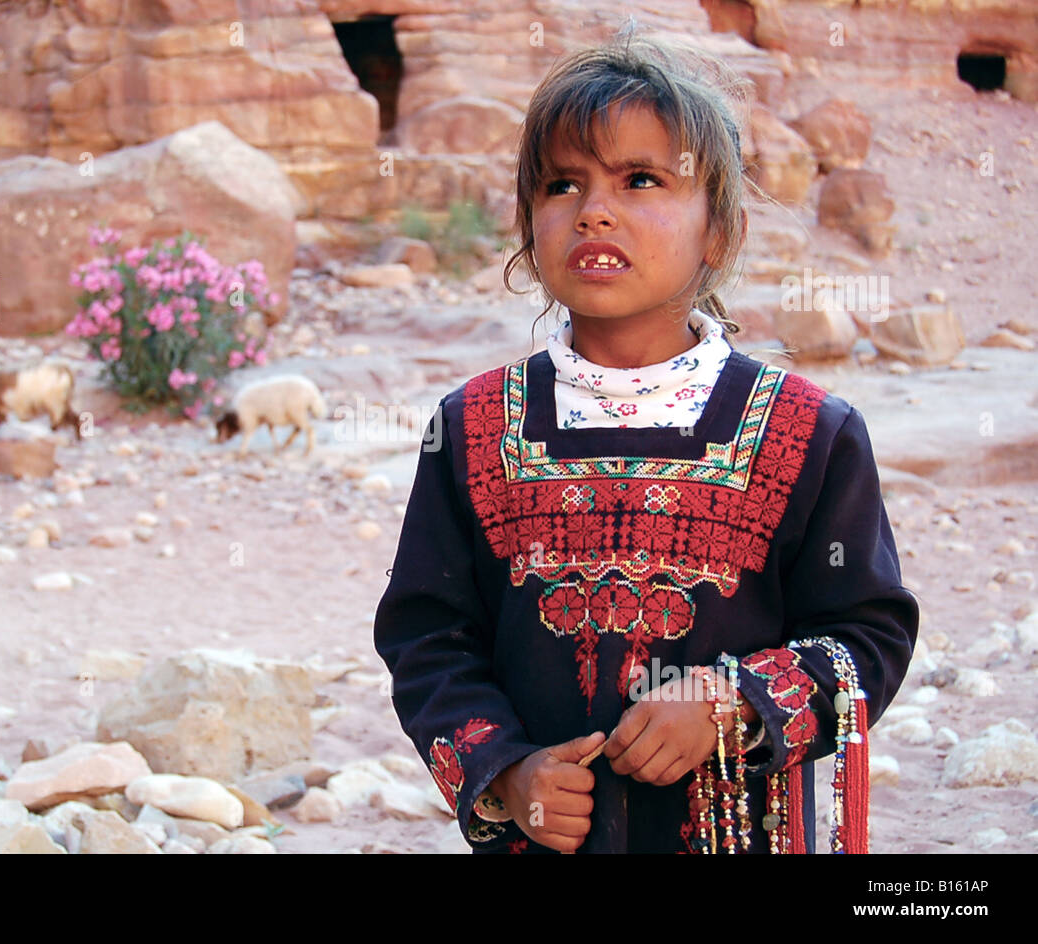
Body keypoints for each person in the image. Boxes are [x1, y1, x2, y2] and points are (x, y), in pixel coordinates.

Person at [373, 24, 919, 854]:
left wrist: (727, 701)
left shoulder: (811, 434)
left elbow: (868, 641)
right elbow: (426, 636)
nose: (594, 210)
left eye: (640, 180)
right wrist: (509, 777)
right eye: (562, 184)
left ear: (718, 233)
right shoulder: (472, 430)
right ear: (529, 224)